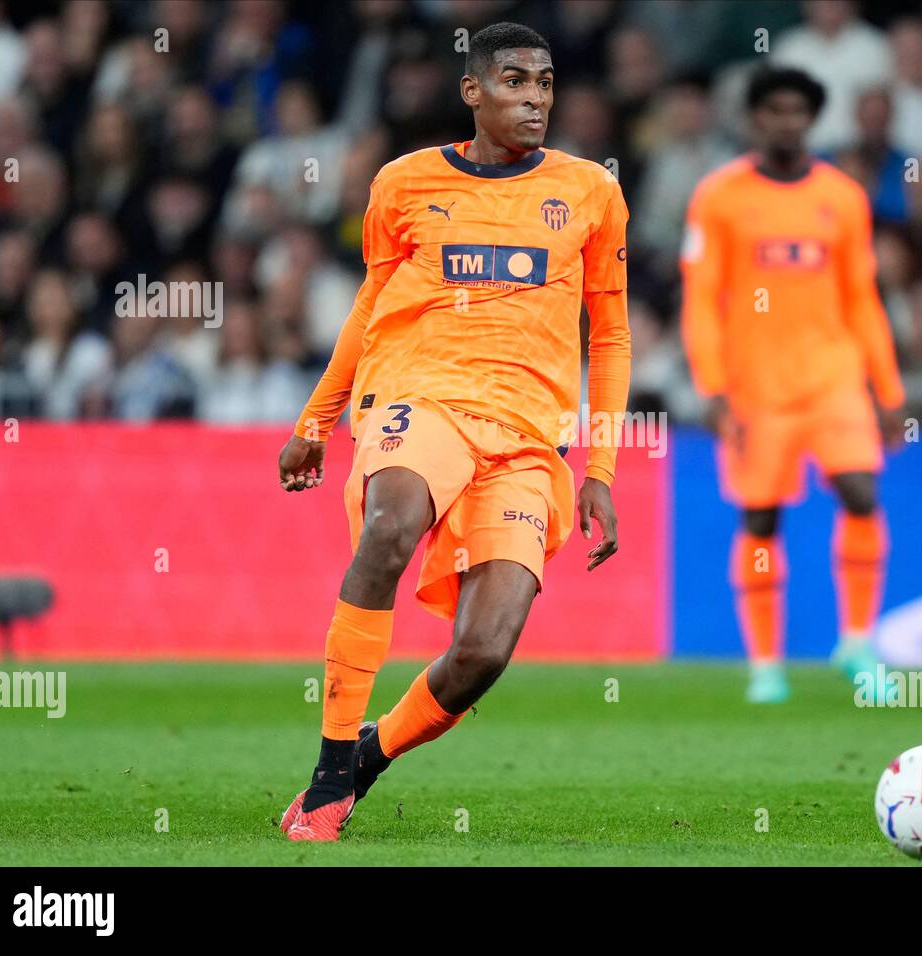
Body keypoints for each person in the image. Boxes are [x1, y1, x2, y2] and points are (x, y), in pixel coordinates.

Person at [276, 22, 631, 841]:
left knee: (482, 654)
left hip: (526, 435)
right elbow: (370, 308)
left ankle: (367, 760)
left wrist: (602, 470)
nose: (534, 98)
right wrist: (316, 420)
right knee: (392, 524)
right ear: (473, 92)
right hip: (421, 397)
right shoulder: (403, 184)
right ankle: (330, 766)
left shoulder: (589, 193)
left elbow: (609, 336)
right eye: (514, 81)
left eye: (544, 83)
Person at [681, 67, 904, 704]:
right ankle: (766, 664)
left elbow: (862, 300)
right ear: (756, 118)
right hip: (757, 389)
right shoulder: (719, 197)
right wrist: (714, 385)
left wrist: (888, 390)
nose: (787, 121)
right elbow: (701, 299)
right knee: (761, 518)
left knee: (861, 492)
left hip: (834, 378)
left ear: (812, 119)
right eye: (775, 110)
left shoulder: (843, 197)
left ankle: (857, 643)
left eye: (798, 111)